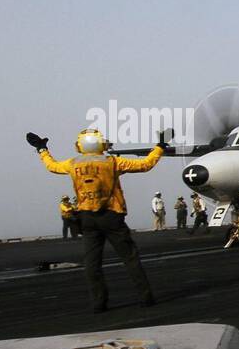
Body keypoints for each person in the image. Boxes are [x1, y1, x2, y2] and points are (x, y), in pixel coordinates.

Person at [29, 127, 169, 312]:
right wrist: (160, 146)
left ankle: (99, 304)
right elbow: (146, 164)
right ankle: (146, 298)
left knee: (92, 263)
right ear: (101, 143)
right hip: (112, 216)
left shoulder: (73, 163)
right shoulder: (112, 162)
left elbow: (52, 166)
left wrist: (42, 149)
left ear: (80, 145)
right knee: (130, 258)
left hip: (87, 219)